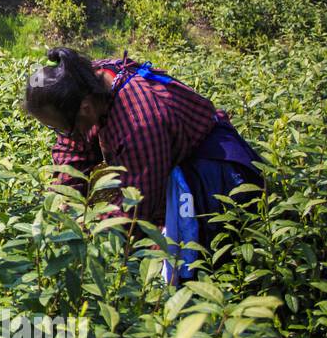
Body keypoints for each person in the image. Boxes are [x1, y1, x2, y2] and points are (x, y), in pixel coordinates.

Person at [23, 48, 264, 283]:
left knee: (200, 265)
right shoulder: (82, 83)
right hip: (167, 160)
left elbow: (136, 211)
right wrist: (61, 200)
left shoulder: (137, 124)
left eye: (60, 127)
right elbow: (72, 148)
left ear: (85, 108)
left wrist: (88, 232)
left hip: (215, 172)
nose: (62, 133)